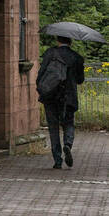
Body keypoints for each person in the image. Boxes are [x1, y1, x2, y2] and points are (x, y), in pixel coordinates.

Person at [36, 35, 85, 169]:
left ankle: (57, 160)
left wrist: (42, 89)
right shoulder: (77, 57)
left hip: (50, 96)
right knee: (68, 123)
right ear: (70, 41)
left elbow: (40, 75)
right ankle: (67, 144)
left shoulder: (50, 54)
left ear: (58, 40)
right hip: (68, 97)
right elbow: (80, 80)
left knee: (53, 128)